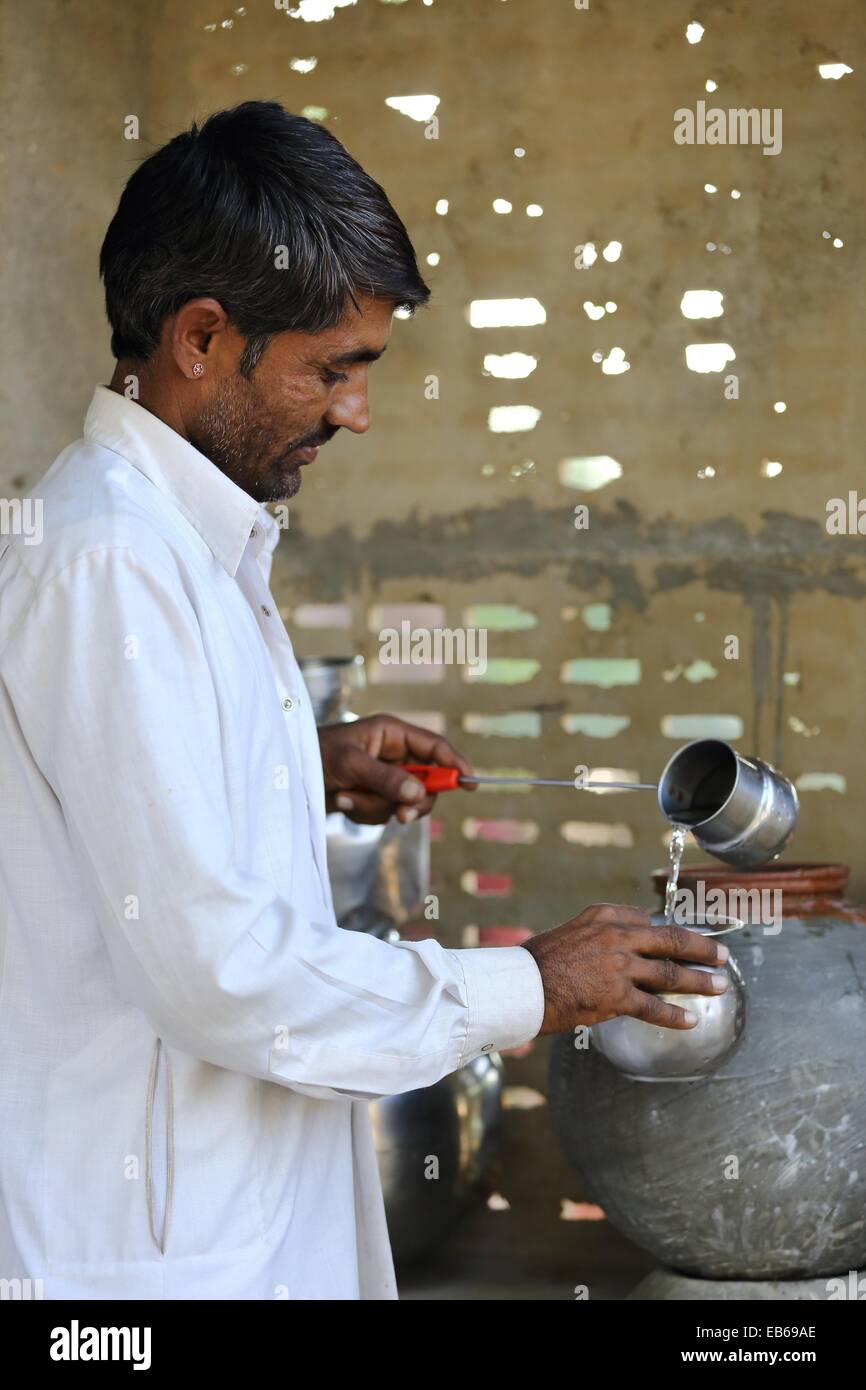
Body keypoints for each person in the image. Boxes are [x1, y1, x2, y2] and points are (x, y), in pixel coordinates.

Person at [0, 101, 728, 1300]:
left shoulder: (186, 543)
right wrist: (531, 985)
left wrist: (298, 755)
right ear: (198, 337)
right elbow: (219, 970)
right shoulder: (109, 565)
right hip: (145, 1267)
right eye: (331, 369)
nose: (355, 409)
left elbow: (124, 807)